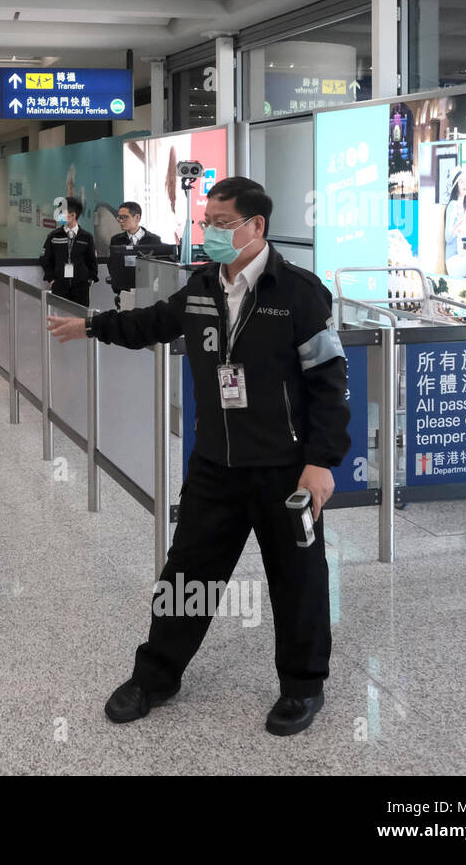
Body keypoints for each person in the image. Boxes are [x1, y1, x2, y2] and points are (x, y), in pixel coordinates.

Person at [47, 176, 349, 737]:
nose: (209, 231)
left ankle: (303, 687)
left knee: (298, 579)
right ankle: (155, 677)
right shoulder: (204, 283)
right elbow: (153, 323)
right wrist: (91, 325)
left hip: (285, 468)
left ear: (256, 227)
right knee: (187, 575)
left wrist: (321, 461)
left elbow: (330, 383)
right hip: (215, 465)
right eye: (206, 221)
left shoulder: (300, 293)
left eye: (221, 223)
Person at [39, 196, 98, 307]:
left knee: (80, 320)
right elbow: (45, 259)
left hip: (81, 288)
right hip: (59, 286)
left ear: (73, 215)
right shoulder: (54, 236)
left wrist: (89, 280)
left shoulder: (86, 237)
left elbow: (92, 261)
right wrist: (52, 280)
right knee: (59, 317)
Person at [441, 167, 466, 276]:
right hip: (453, 260)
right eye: (461, 182)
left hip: (463, 256)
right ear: (456, 186)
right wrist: (458, 224)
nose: (465, 184)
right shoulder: (453, 205)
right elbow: (448, 238)